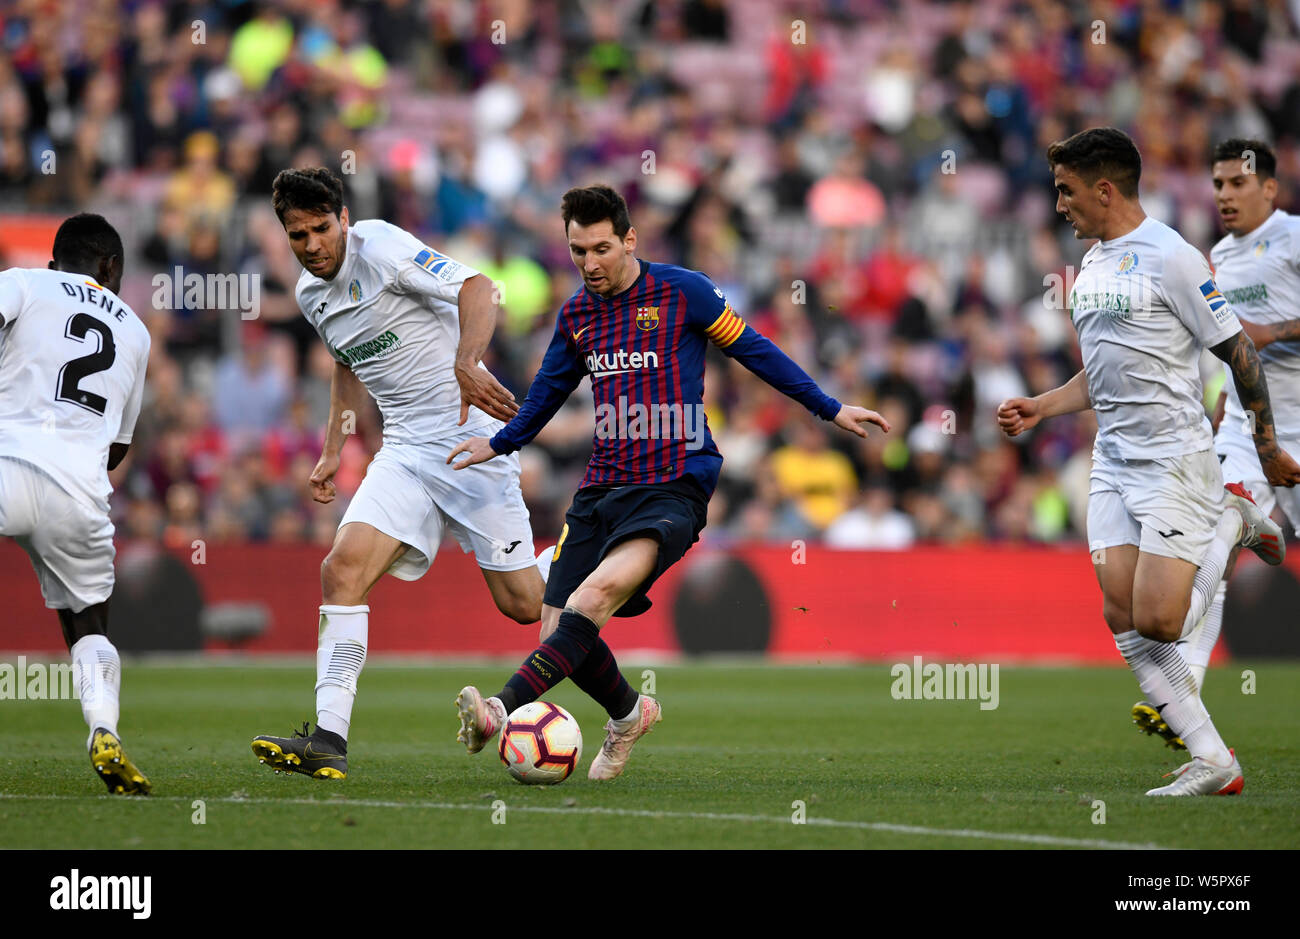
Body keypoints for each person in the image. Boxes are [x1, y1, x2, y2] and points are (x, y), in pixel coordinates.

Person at [449, 184, 890, 780]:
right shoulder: (578, 314)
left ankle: (500, 709)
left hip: (674, 484)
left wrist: (829, 407)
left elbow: (755, 351)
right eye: (578, 251)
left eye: (602, 248)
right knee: (556, 633)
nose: (590, 263)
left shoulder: (683, 291)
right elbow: (547, 394)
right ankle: (630, 714)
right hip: (602, 487)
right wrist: (500, 442)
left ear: (630, 239)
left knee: (591, 600)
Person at [997, 127, 1300, 796]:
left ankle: (1232, 523)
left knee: (1162, 618)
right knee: (1121, 613)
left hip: (1175, 459)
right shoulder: (1096, 264)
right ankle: (1213, 758)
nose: (1059, 205)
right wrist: (1043, 406)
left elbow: (1239, 353)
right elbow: (1101, 374)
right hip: (1114, 458)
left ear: (1105, 189)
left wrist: (1267, 443)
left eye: (1066, 191)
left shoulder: (1175, 258)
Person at [250, 167, 546, 780]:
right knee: (341, 571)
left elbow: (482, 287)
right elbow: (345, 360)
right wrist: (335, 446)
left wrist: (467, 361)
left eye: (320, 229)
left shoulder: (380, 246)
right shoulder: (310, 293)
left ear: (344, 220)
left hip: (470, 438)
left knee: (524, 606)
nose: (311, 246)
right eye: (296, 234)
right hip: (406, 450)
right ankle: (329, 738)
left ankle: (577, 556)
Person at [0, 213, 152, 794]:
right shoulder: (136, 332)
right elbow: (118, 448)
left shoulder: (24, 282)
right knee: (88, 624)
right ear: (111, 268)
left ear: (53, 260)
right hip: (80, 491)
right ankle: (104, 729)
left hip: (9, 461)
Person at [1161, 138, 1300, 716]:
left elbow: (1255, 334)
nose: (1224, 194)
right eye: (1217, 185)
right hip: (1249, 428)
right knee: (1211, 549)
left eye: (1237, 183)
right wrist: (1223, 403)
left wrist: (1275, 331)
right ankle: (1184, 697)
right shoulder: (1218, 253)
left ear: (1269, 188)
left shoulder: (1294, 236)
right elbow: (1229, 344)